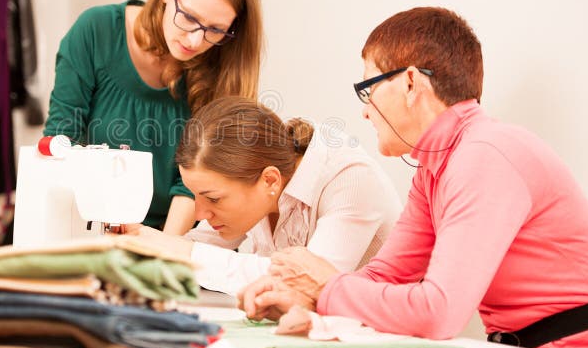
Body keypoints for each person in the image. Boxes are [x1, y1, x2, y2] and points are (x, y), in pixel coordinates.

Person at [240, 7, 588, 348]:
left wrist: (325, 288)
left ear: (411, 83)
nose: (365, 113)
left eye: (368, 90)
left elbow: (439, 312)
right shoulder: (437, 167)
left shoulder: (484, 155)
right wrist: (306, 299)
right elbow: (388, 274)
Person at [44, 0, 263, 234]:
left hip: (168, 233)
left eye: (215, 29)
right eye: (188, 18)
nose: (195, 42)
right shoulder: (97, 31)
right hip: (86, 225)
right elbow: (61, 140)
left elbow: (194, 181)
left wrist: (162, 248)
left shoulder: (222, 65)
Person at [129, 95, 402, 295]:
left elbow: (306, 285)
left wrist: (180, 251)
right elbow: (201, 247)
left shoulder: (351, 179)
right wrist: (138, 253)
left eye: (212, 198)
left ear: (269, 180)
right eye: (195, 196)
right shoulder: (261, 173)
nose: (199, 213)